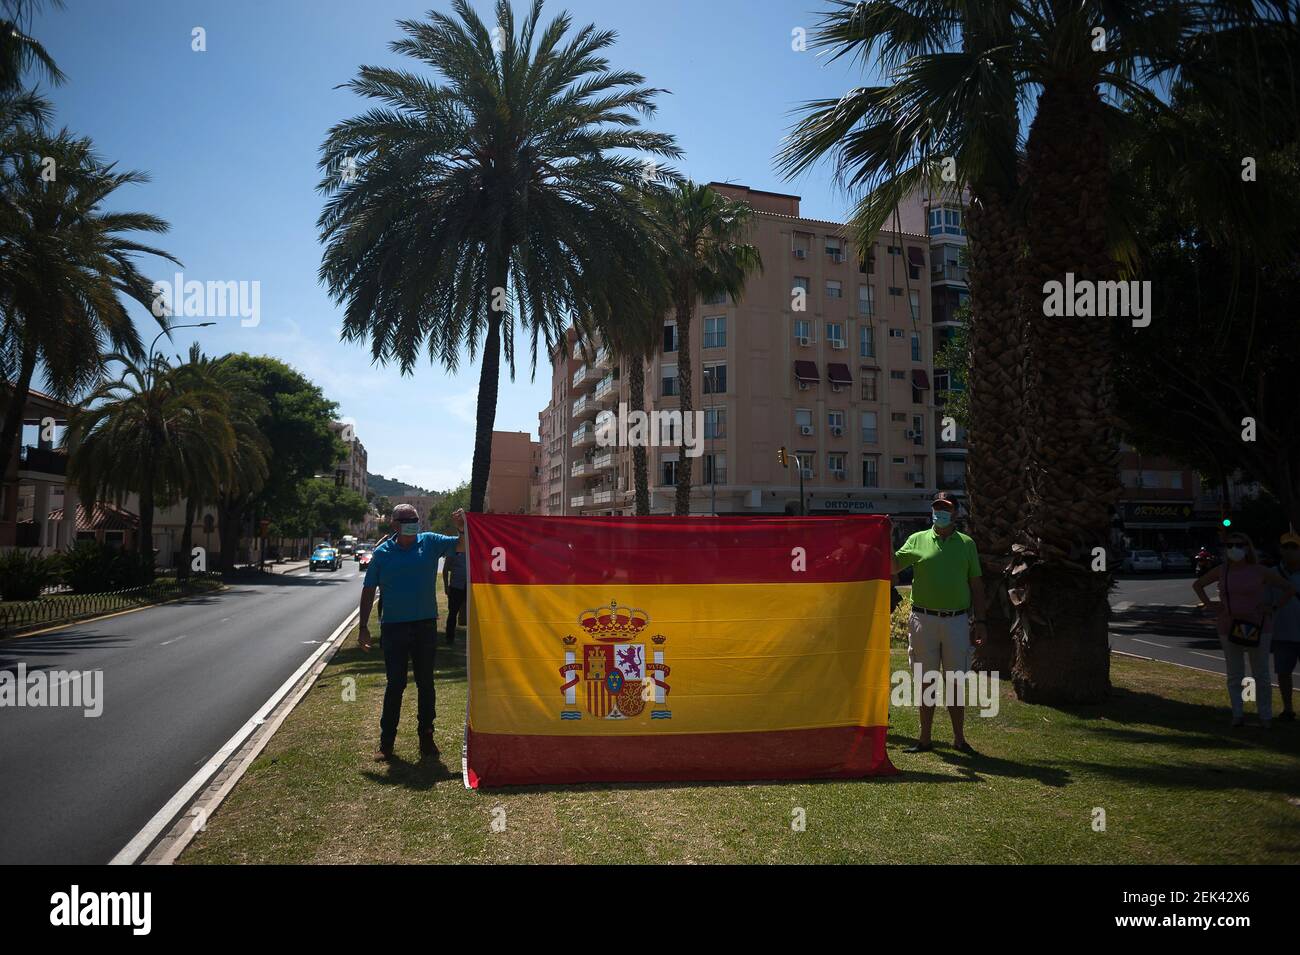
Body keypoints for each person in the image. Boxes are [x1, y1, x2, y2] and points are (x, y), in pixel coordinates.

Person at [359, 504, 465, 760]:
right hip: (394, 628)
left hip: (425, 626)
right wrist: (363, 627)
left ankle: (427, 737)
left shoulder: (430, 542)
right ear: (394, 524)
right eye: (406, 519)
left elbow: (463, 545)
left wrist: (462, 527)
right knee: (395, 685)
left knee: (426, 683)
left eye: (415, 518)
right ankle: (386, 743)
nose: (411, 522)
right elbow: (368, 589)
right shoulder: (382, 553)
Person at [892, 491, 988, 756]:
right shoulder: (917, 540)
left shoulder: (966, 544)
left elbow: (976, 585)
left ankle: (959, 738)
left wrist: (981, 621)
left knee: (955, 681)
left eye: (945, 508)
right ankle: (925, 739)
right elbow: (892, 567)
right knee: (926, 681)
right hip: (923, 620)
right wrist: (885, 536)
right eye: (937, 508)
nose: (940, 512)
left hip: (956, 620)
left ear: (956, 512)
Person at [1193, 531, 1296, 728]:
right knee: (1234, 673)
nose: (1234, 549)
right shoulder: (1222, 570)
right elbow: (1198, 585)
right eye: (1230, 545)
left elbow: (1289, 589)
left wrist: (1272, 607)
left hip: (1258, 627)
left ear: (1248, 548)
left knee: (1261, 674)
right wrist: (1210, 604)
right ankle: (1238, 714)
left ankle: (1265, 716)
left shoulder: (1259, 570)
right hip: (1228, 626)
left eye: (1239, 545)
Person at [1269, 531, 1300, 721]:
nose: (1289, 552)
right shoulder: (1272, 574)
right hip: (1282, 632)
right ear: (1280, 550)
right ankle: (1288, 708)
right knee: (1283, 673)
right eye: (1286, 547)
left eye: (1294, 548)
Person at [442, 545, 467, 646]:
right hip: (456, 587)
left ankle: (472, 638)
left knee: (472, 614)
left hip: (469, 587)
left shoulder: (473, 549)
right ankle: (449, 637)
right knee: (452, 613)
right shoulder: (453, 549)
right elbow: (445, 570)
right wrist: (446, 586)